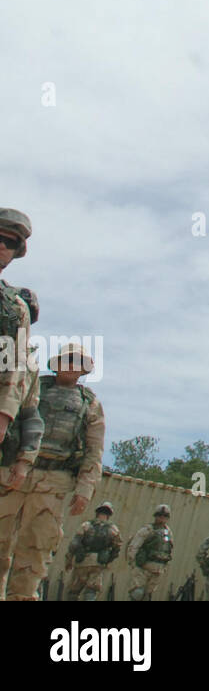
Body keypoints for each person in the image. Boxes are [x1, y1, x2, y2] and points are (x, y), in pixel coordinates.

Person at [0, 342, 106, 599]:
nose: (72, 365)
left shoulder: (90, 403)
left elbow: (94, 449)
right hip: (13, 472)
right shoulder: (33, 386)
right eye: (67, 359)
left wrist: (85, 489)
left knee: (36, 549)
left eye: (78, 362)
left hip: (54, 482)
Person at [0, 207, 44, 576]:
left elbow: (29, 411)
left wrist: (24, 457)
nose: (1, 246)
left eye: (9, 243)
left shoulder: (14, 309)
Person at [64, 501, 121, 600]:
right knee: (91, 591)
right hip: (98, 564)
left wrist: (69, 560)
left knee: (74, 591)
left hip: (82, 562)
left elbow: (74, 544)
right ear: (109, 515)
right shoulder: (113, 529)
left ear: (97, 512)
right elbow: (117, 548)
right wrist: (108, 560)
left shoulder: (86, 525)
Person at [126, 504, 173, 600]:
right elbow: (133, 547)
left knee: (147, 596)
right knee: (137, 594)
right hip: (143, 568)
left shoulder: (168, 533)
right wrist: (134, 565)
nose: (162, 518)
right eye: (160, 515)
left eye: (165, 516)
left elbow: (169, 549)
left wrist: (165, 567)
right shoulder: (147, 530)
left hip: (157, 569)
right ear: (156, 516)